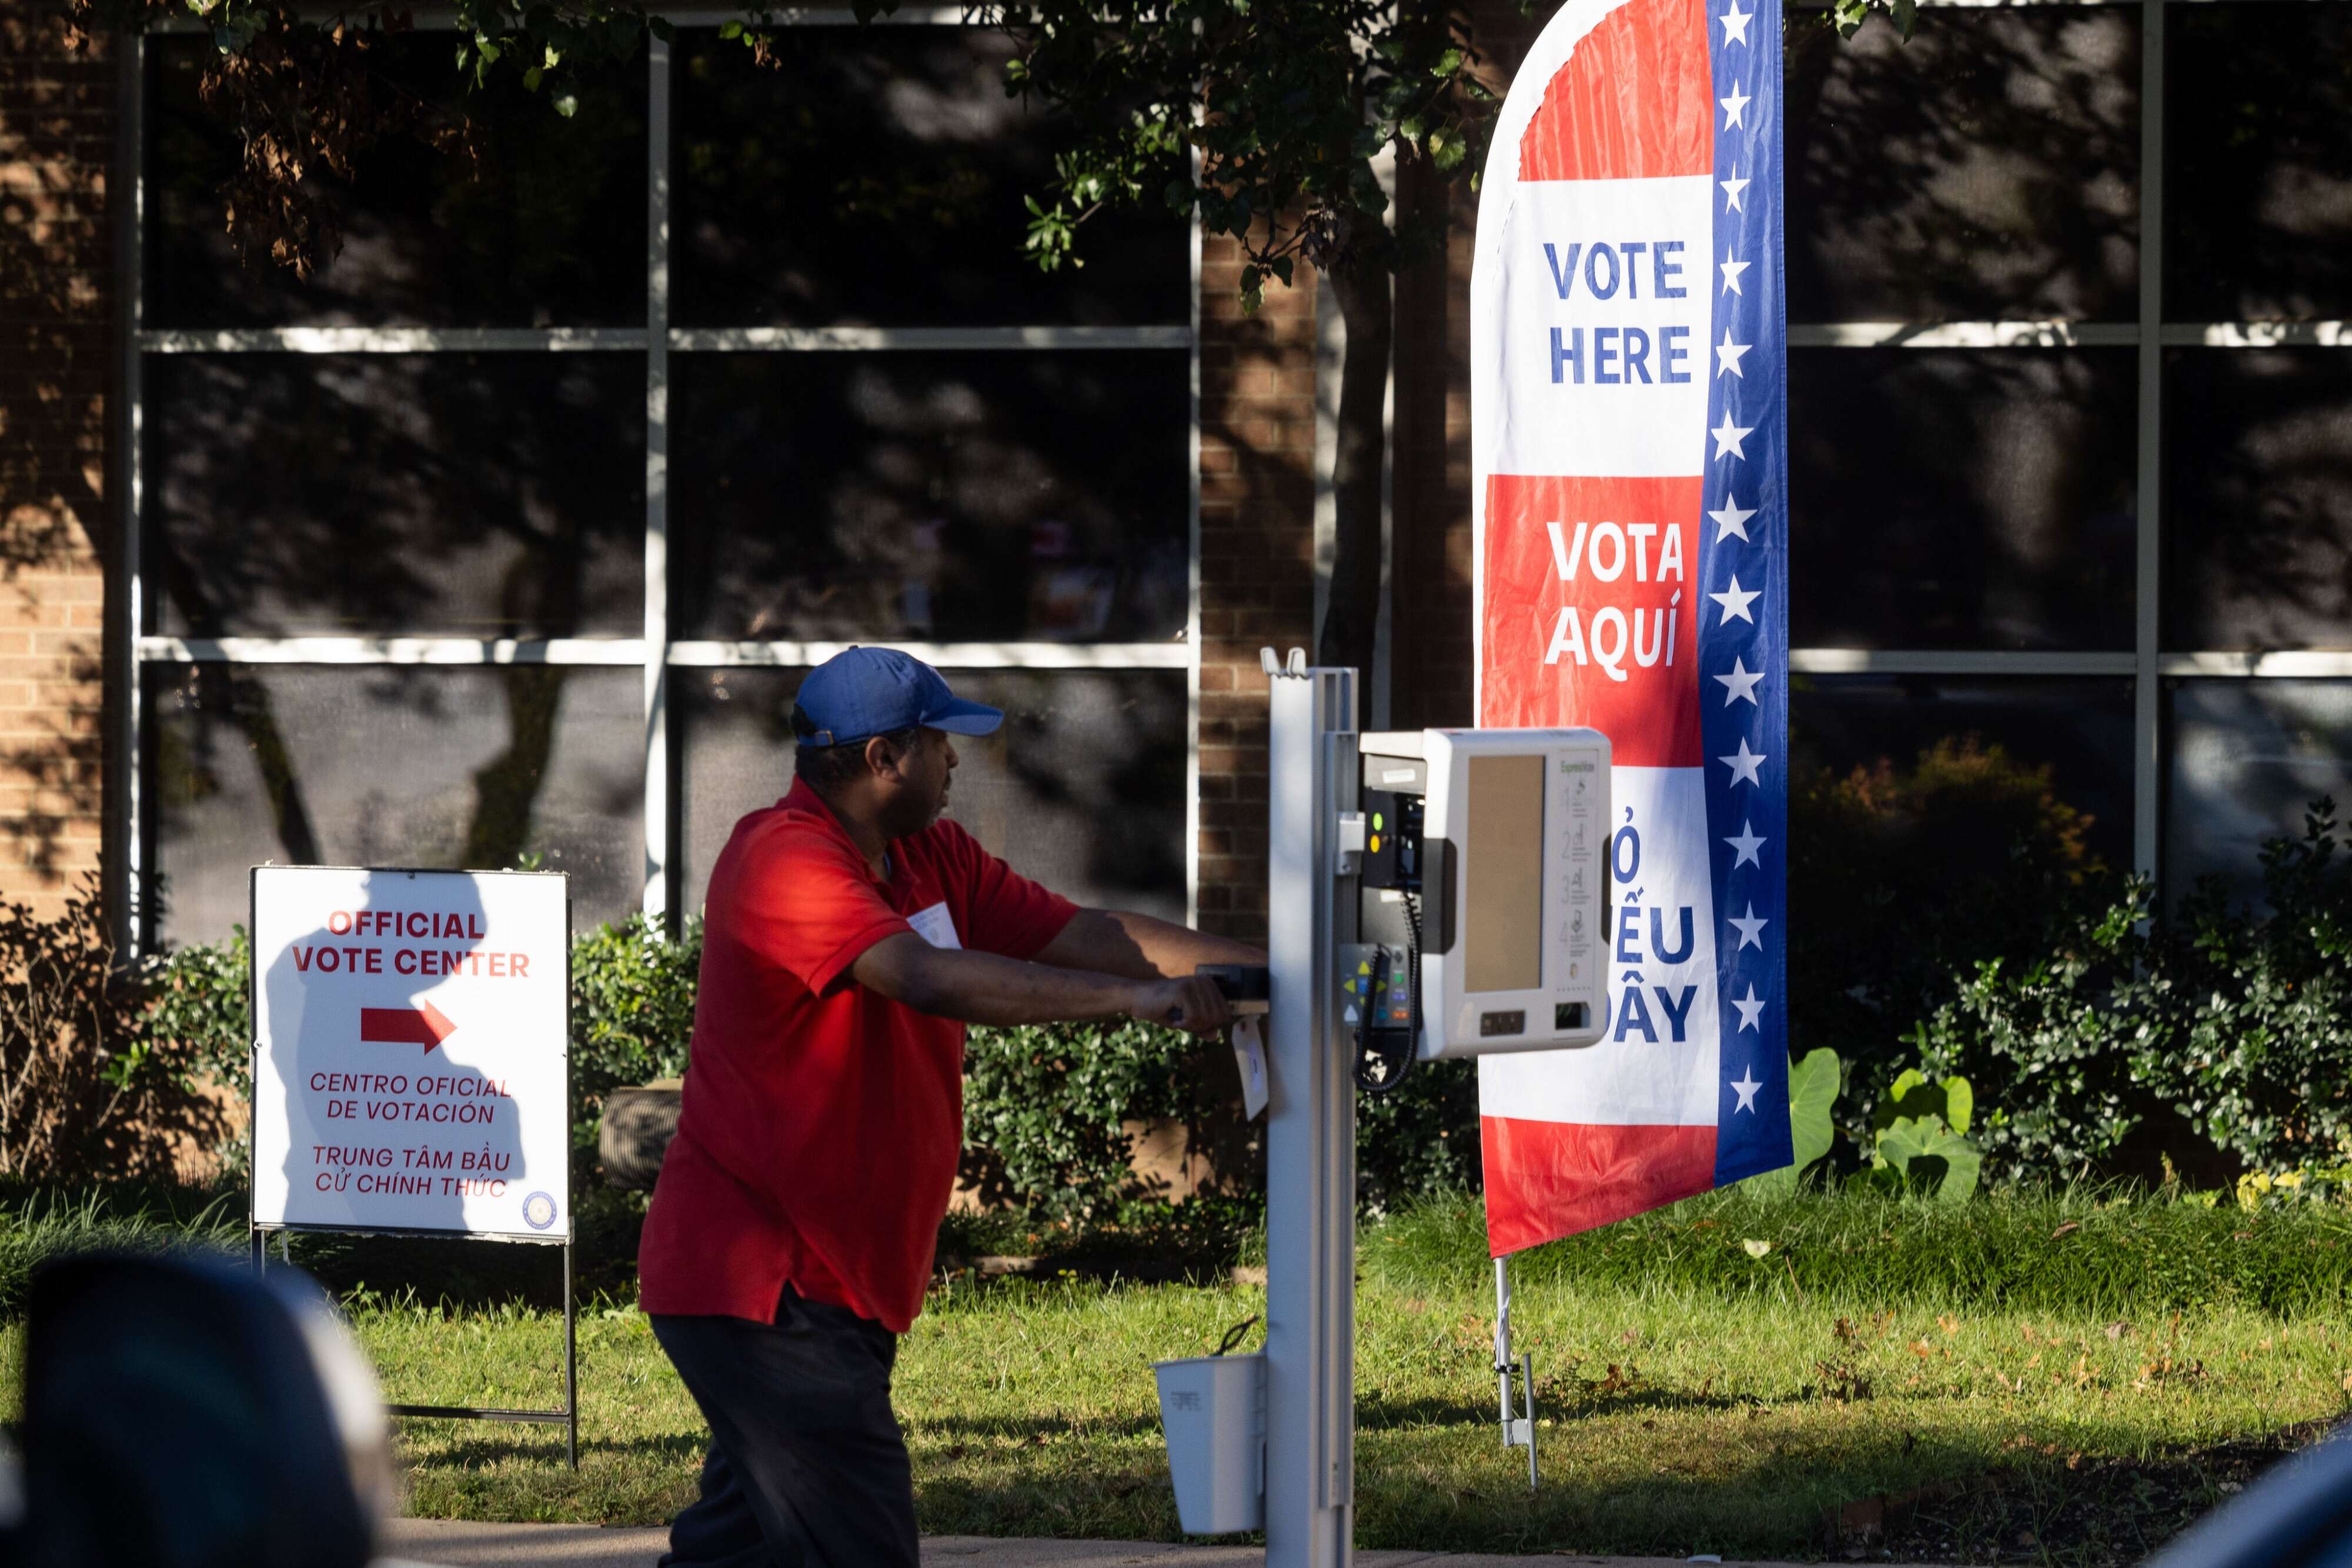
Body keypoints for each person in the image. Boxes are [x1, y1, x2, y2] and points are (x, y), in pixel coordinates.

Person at [637, 646, 1267, 1568]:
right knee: (862, 1549)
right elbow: (922, 977)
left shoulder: (930, 854)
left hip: (839, 1279)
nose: (956, 762)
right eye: (940, 743)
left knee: (739, 1553)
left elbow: (1081, 934)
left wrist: (1255, 970)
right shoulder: (780, 859)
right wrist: (1136, 1003)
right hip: (769, 1285)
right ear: (885, 757)